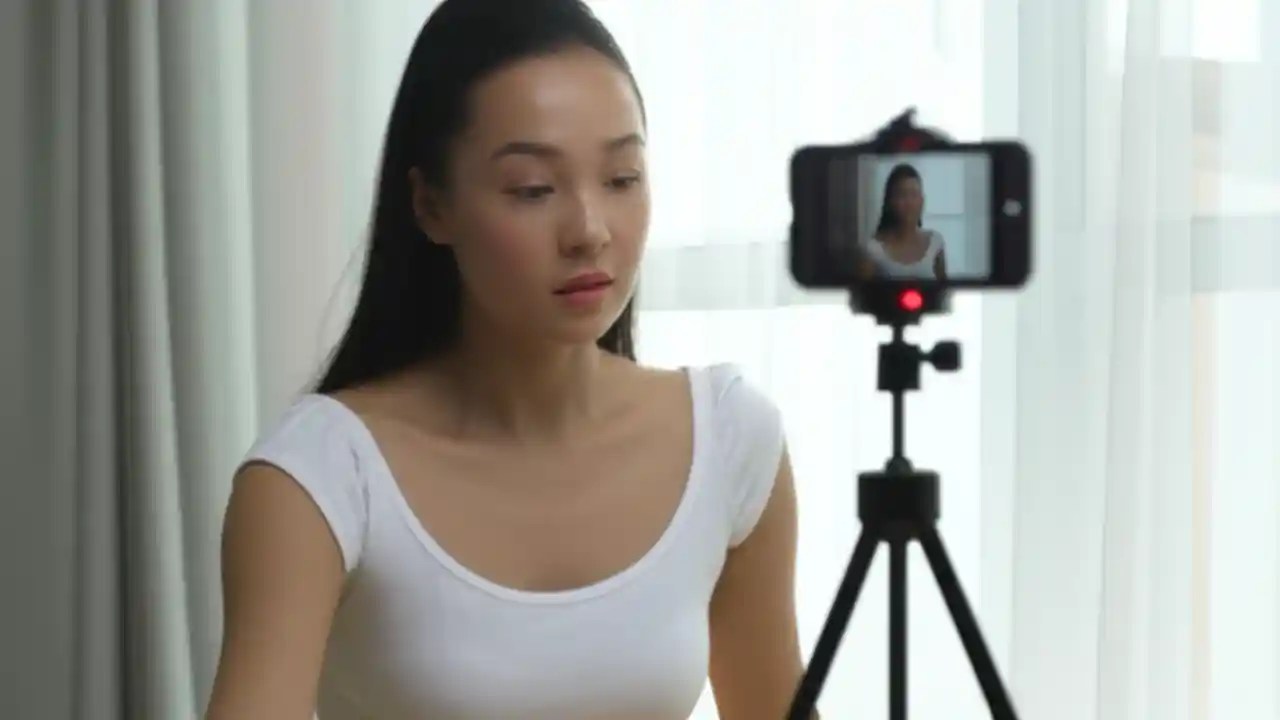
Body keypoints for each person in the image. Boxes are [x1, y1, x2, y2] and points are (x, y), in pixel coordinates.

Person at [205, 1, 811, 719]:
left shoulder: (729, 440)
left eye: (622, 178)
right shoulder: (322, 475)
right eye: (533, 190)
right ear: (431, 205)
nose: (589, 230)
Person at [864, 163, 948, 280]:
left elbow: (944, 291)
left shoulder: (935, 242)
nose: (909, 203)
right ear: (889, 202)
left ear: (922, 201)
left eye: (914, 195)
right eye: (902, 195)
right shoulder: (873, 251)